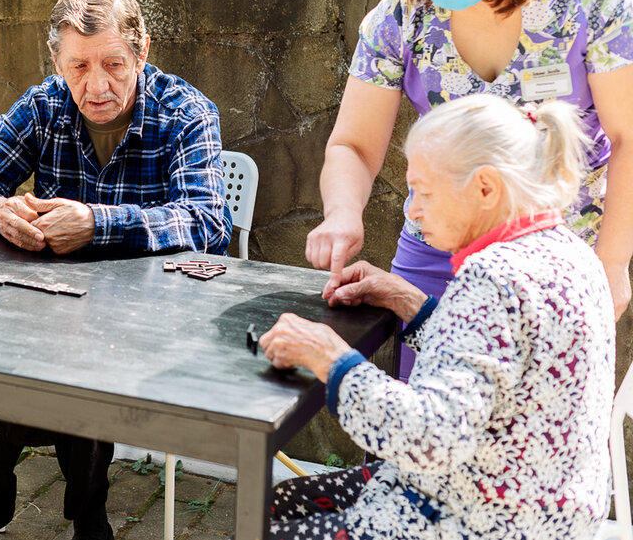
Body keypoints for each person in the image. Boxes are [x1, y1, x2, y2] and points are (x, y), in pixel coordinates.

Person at [0, 0, 231, 540]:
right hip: (55, 313)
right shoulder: (45, 105)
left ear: (142, 51)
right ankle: (83, 518)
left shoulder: (187, 112)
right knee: (62, 340)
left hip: (158, 318)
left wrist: (98, 222)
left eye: (114, 64)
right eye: (78, 67)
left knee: (82, 349)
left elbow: (208, 223)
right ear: (56, 61)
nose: (96, 86)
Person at [306, 0, 633, 377]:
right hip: (437, 252)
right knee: (426, 418)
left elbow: (628, 137)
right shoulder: (403, 9)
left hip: (563, 258)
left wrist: (612, 265)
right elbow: (353, 145)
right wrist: (342, 212)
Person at [260, 93, 614, 540]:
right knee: (280, 502)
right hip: (544, 510)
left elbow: (430, 439)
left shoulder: (493, 278)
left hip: (477, 519)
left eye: (425, 192)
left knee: (265, 524)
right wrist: (413, 303)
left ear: (486, 188)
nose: (413, 209)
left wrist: (332, 359)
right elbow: (496, 368)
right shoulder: (570, 253)